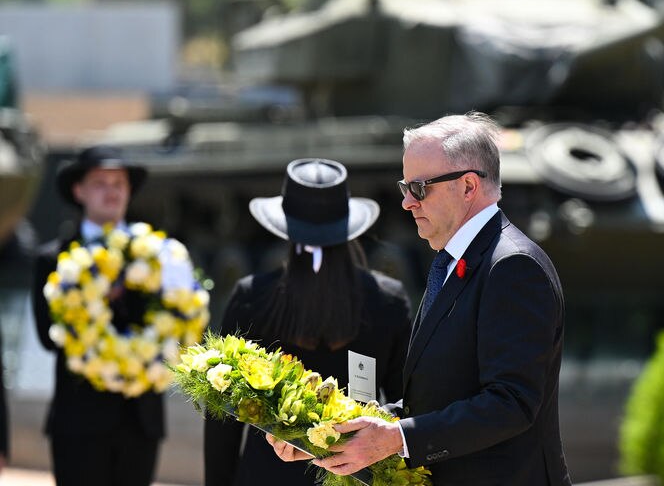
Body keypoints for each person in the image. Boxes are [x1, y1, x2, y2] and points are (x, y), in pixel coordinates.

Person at [268, 112, 572, 485]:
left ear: (468, 186)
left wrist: (397, 439)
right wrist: (326, 435)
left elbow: (511, 403)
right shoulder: (455, 259)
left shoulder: (513, 266)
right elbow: (436, 398)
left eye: (420, 188)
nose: (407, 203)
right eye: (404, 187)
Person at [203, 158, 412, 486]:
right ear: (347, 223)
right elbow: (406, 403)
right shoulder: (388, 299)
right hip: (354, 475)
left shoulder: (251, 296)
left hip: (265, 476)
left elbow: (223, 419)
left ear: (285, 224)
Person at [31, 145, 163, 486]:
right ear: (79, 190)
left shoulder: (158, 256)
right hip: (80, 421)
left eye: (119, 183)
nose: (112, 191)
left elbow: (175, 326)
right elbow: (48, 337)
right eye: (101, 182)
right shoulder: (54, 258)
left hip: (140, 419)